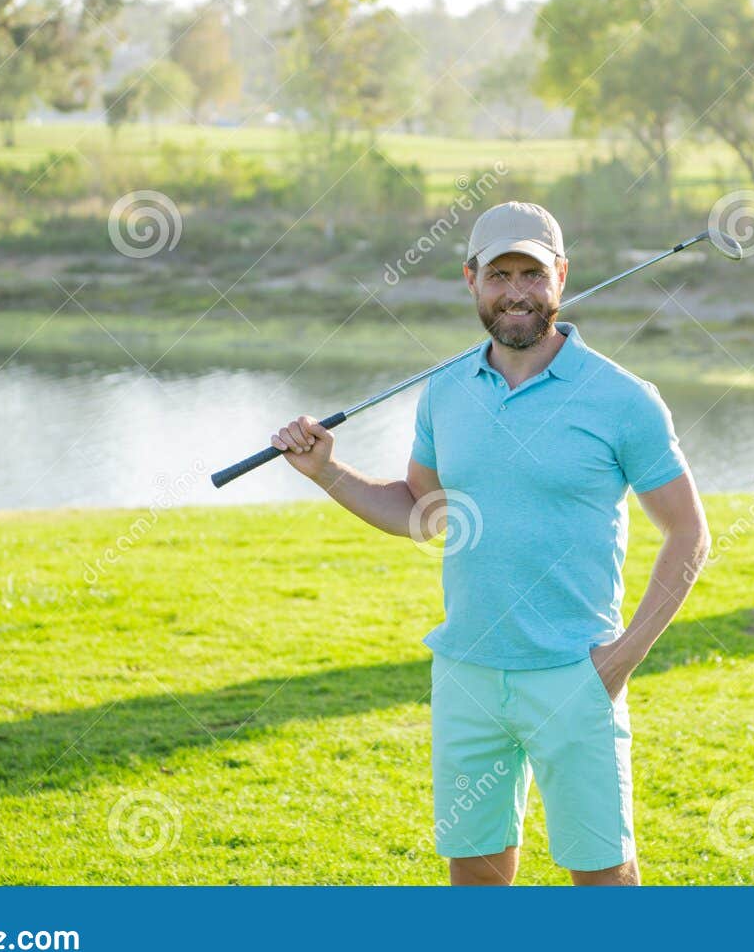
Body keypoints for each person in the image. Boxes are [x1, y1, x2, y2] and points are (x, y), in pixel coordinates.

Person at [270, 200, 710, 886]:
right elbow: (423, 511)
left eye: (532, 274)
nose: (516, 292)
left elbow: (688, 533)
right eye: (499, 274)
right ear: (471, 279)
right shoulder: (444, 391)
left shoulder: (623, 399)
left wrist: (621, 659)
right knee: (476, 878)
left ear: (561, 276)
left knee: (603, 879)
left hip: (576, 674)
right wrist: (327, 470)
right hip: (467, 674)